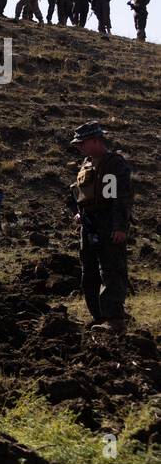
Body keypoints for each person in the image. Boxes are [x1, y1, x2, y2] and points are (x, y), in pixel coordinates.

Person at [70, 122, 132, 332]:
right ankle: (99, 316)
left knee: (111, 271)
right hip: (89, 226)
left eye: (83, 143)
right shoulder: (87, 164)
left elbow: (119, 198)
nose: (80, 147)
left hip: (108, 225)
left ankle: (115, 319)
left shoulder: (113, 164)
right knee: (89, 273)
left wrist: (119, 227)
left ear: (96, 141)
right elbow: (82, 196)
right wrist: (79, 214)